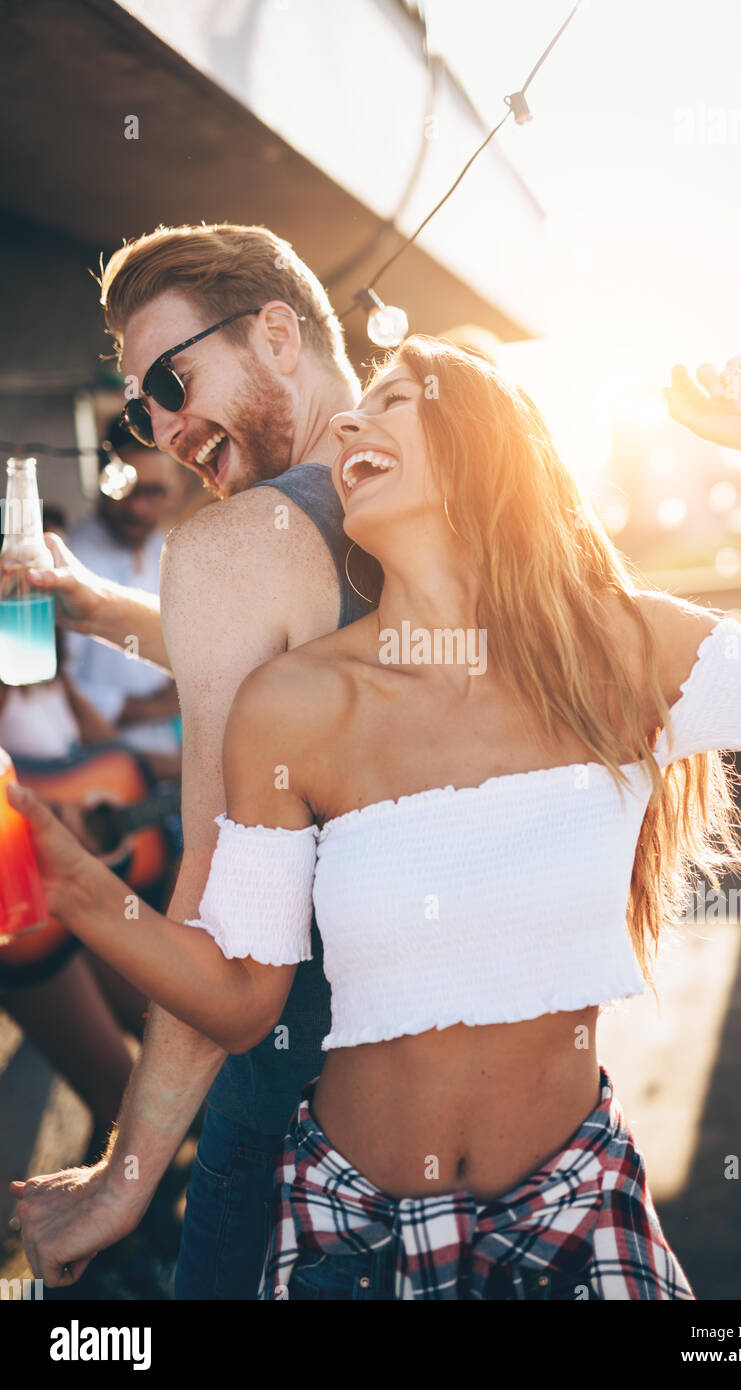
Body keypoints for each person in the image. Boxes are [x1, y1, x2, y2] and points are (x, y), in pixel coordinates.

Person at [10, 339, 741, 1298]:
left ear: (485, 444)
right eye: (358, 405)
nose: (347, 422)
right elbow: (245, 996)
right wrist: (72, 881)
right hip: (350, 1237)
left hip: (576, 1211)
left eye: (400, 398)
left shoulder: (624, 649)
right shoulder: (295, 704)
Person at [8, 222, 380, 1297]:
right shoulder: (426, 511)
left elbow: (220, 895)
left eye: (172, 380)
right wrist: (100, 609)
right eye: (141, 409)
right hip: (507, 1146)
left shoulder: (229, 545)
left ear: (276, 333)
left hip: (290, 1132)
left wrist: (124, 1177)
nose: (162, 429)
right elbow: (316, 665)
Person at [64, 418, 184, 778]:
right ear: (103, 480)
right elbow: (59, 686)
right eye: (128, 490)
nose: (138, 508)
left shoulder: (171, 550)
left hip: (174, 753)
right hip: (98, 771)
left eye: (154, 492)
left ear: (175, 489)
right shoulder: (71, 559)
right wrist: (156, 706)